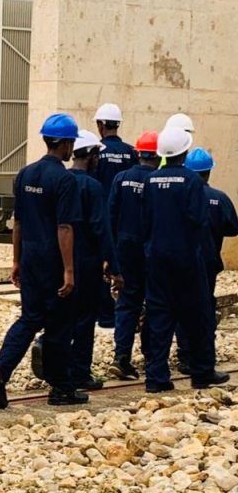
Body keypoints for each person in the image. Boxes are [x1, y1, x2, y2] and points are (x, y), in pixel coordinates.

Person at [0, 113, 86, 410]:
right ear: (65, 144)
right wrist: (69, 271)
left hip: (30, 258)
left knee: (29, 318)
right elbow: (64, 227)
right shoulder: (65, 180)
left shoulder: (25, 174)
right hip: (53, 261)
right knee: (59, 325)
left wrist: (16, 261)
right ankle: (61, 388)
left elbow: (18, 222)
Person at [142, 127, 229, 393]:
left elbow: (145, 220)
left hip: (157, 258)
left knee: (159, 317)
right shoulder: (192, 181)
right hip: (187, 259)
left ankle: (156, 377)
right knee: (198, 316)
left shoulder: (151, 181)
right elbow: (199, 221)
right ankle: (202, 372)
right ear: (184, 152)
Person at [175, 147, 238, 372]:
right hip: (208, 262)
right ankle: (203, 353)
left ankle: (185, 354)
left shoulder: (179, 197)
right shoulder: (219, 198)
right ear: (208, 172)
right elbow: (233, 228)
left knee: (182, 305)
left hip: (182, 261)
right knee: (204, 306)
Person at [67, 130, 121, 390]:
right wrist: (114, 265)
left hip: (60, 260)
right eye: (97, 155)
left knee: (64, 316)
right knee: (85, 319)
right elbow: (101, 228)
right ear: (90, 155)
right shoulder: (92, 186)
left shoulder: (62, 180)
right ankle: (80, 373)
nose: (99, 160)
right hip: (86, 261)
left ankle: (59, 367)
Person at [106, 131, 160, 380]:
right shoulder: (158, 181)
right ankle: (152, 356)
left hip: (125, 250)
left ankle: (121, 357)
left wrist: (110, 255)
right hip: (151, 251)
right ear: (158, 155)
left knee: (127, 303)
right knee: (154, 303)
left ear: (138, 153)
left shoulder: (122, 178)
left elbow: (111, 216)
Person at [93, 103, 138, 328]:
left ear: (100, 125)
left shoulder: (96, 152)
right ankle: (126, 311)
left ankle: (105, 315)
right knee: (125, 265)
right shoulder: (131, 152)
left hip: (100, 218)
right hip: (127, 221)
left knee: (101, 263)